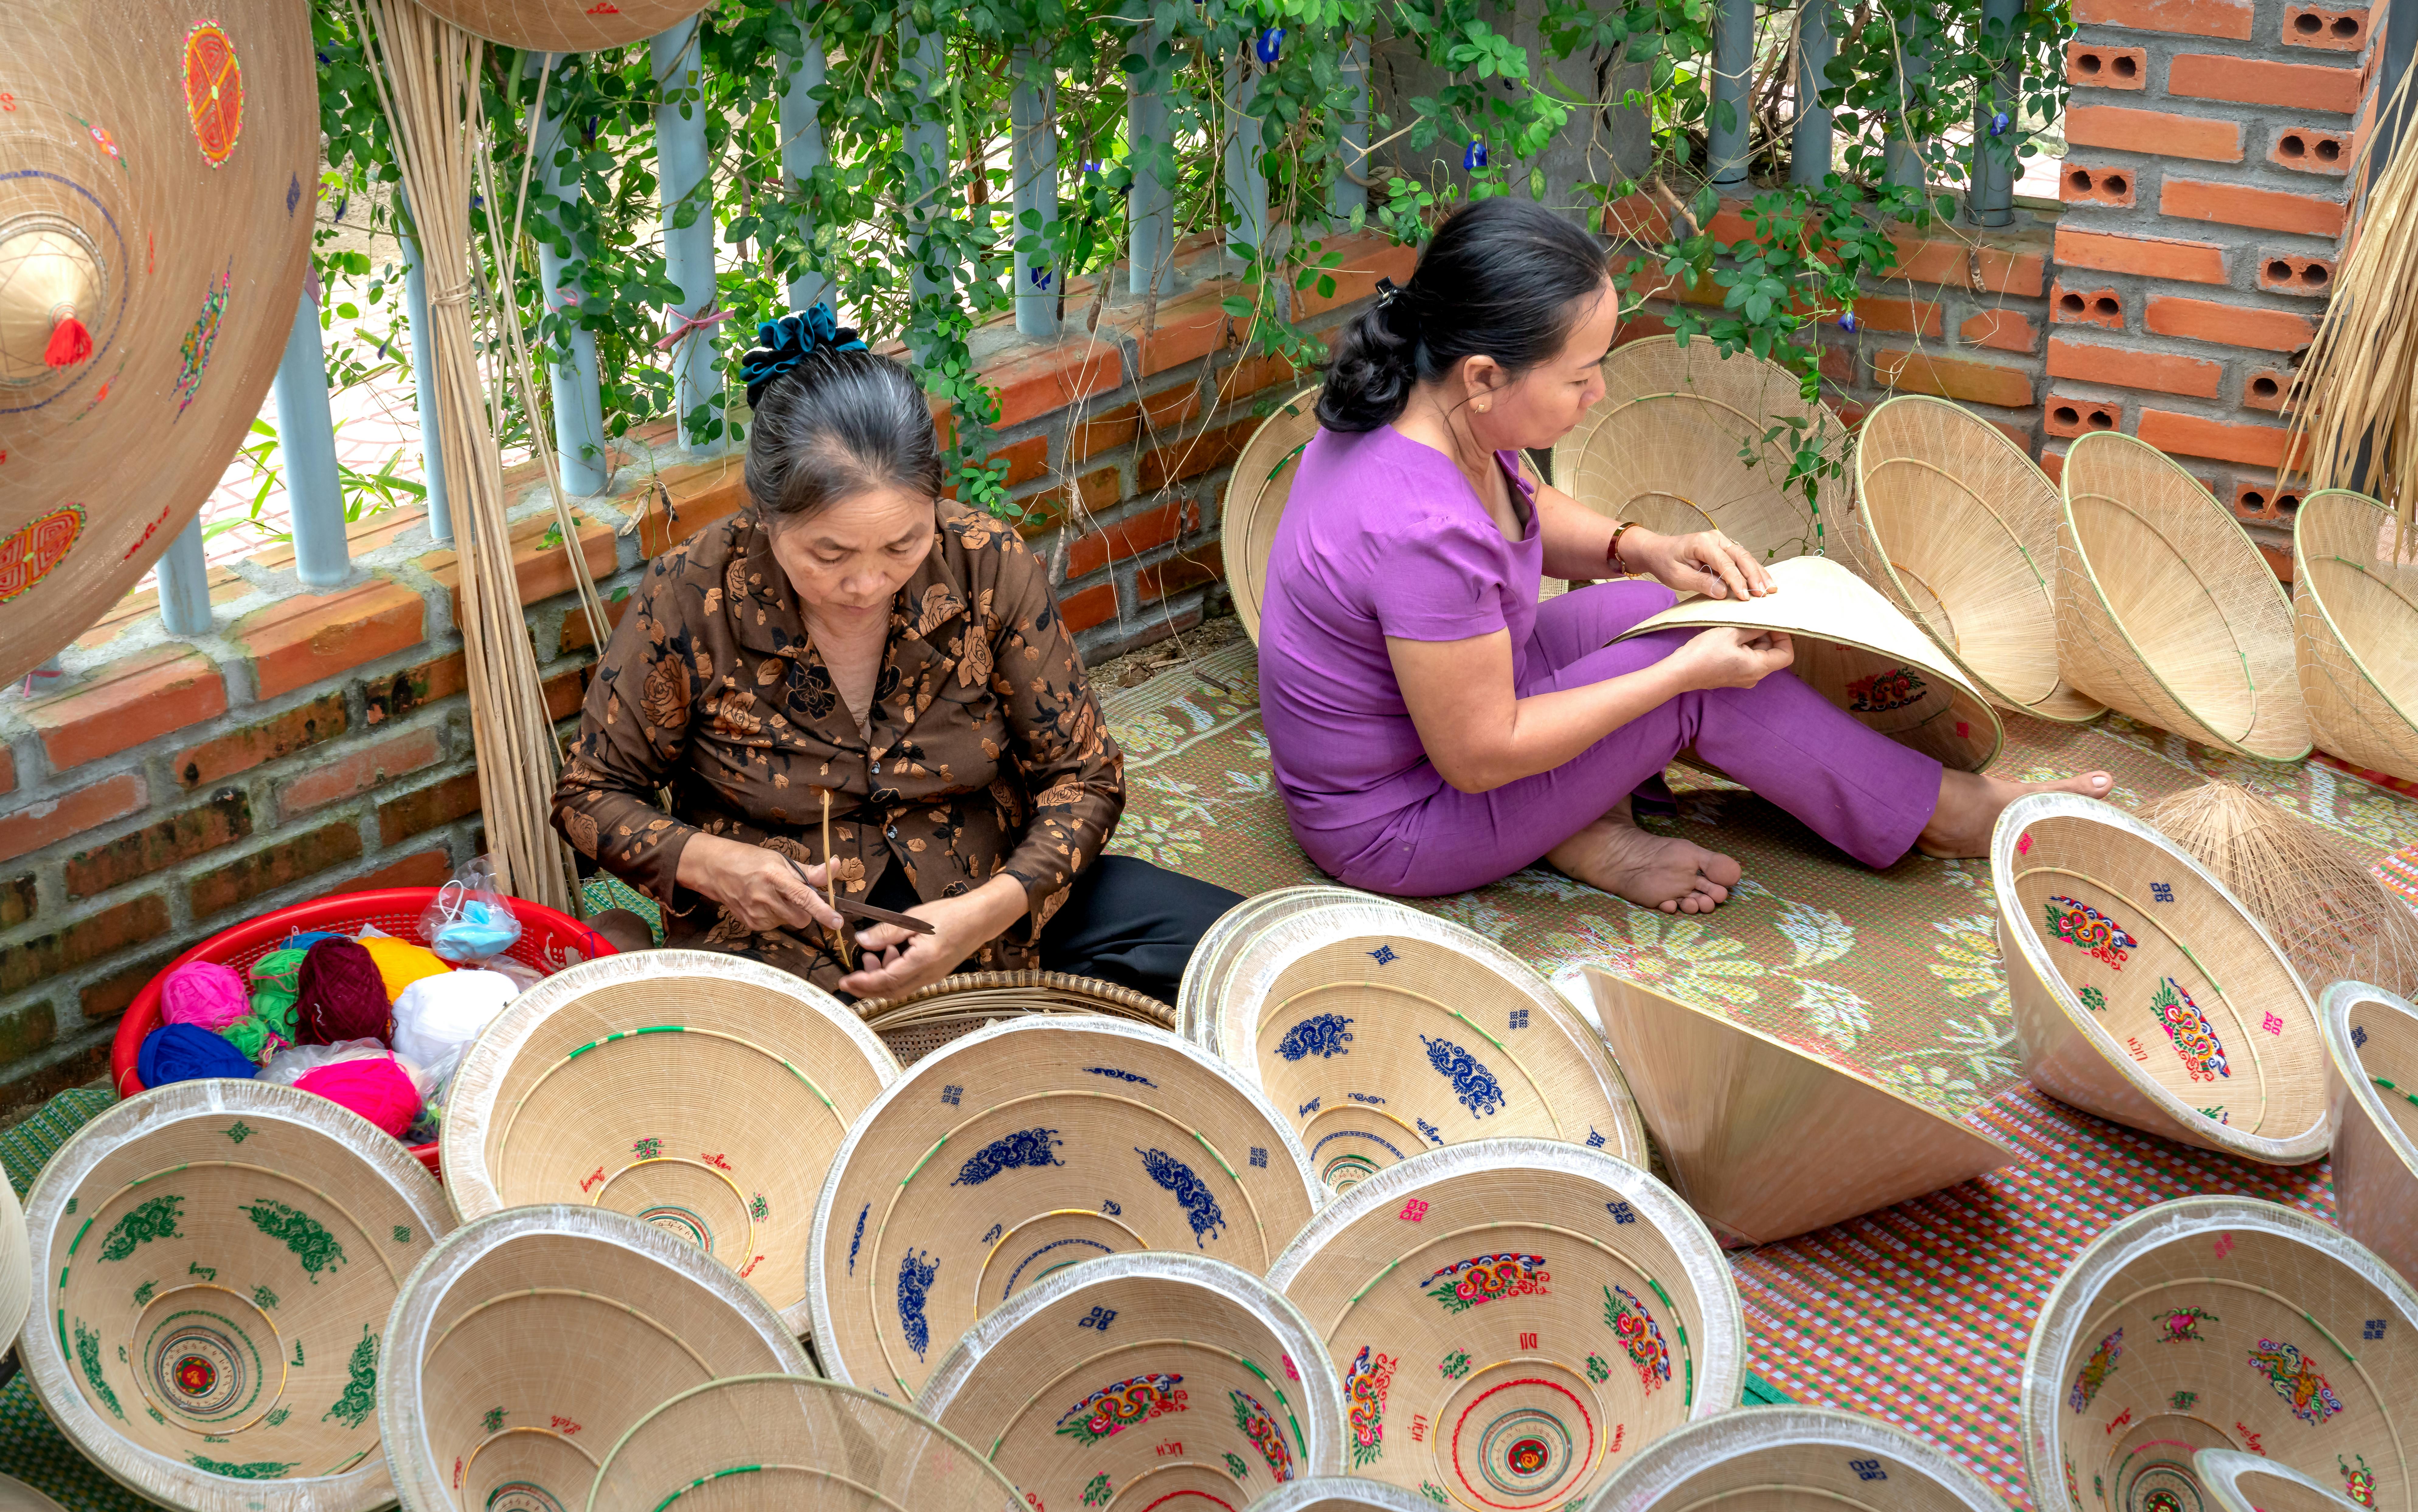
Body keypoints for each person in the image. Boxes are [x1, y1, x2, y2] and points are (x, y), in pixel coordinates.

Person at [1258, 197, 2111, 913]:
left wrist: (1644, 550)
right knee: (1690, 676)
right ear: (1486, 375)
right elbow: (1480, 752)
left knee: (1675, 613)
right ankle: (1949, 814)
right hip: (1399, 821)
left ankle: (1579, 826)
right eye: (1581, 375)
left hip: (1454, 705)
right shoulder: (1419, 525)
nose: (1599, 393)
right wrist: (1676, 682)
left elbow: (1520, 505)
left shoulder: (1428, 395)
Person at [551, 305, 1238, 1001]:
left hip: (992, 898)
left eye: (903, 545)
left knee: (1241, 952)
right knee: (775, 1077)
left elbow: (1084, 778)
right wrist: (712, 864)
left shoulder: (984, 564)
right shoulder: (691, 596)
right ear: (764, 515)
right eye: (830, 553)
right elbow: (591, 795)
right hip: (784, 938)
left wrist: (985, 913)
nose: (868, 583)